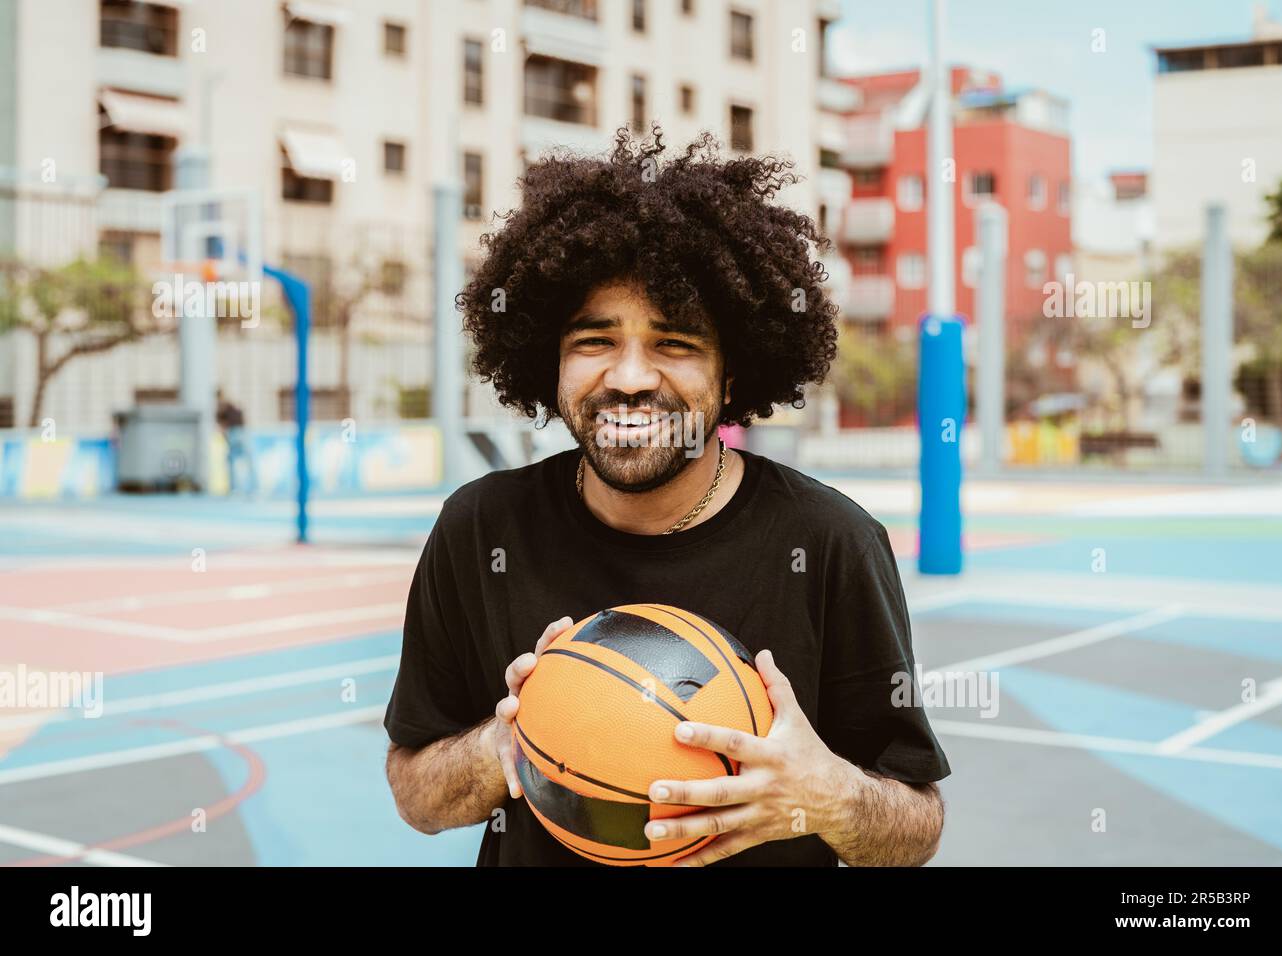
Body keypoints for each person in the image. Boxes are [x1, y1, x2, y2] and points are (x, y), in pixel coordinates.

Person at [384, 126, 949, 867]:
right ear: (547, 360)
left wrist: (829, 795)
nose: (628, 377)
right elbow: (415, 793)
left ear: (734, 373)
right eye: (594, 340)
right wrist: (508, 742)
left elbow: (918, 827)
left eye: (675, 343)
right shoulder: (479, 527)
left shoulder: (831, 542)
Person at [216, 389, 255, 494]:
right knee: (245, 460)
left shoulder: (223, 407)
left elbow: (222, 427)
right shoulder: (228, 406)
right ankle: (251, 488)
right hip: (241, 432)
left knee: (235, 460)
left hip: (236, 433)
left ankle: (236, 488)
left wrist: (226, 435)